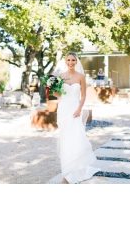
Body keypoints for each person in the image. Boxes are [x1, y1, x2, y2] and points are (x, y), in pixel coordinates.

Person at [55, 53, 99, 184]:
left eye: (73, 60)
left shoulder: (81, 77)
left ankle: (77, 167)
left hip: (75, 109)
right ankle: (66, 169)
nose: (70, 62)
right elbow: (58, 95)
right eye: (68, 60)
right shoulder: (61, 76)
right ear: (65, 61)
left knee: (76, 136)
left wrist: (79, 109)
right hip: (63, 109)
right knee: (65, 137)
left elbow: (84, 96)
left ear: (76, 61)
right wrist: (52, 88)